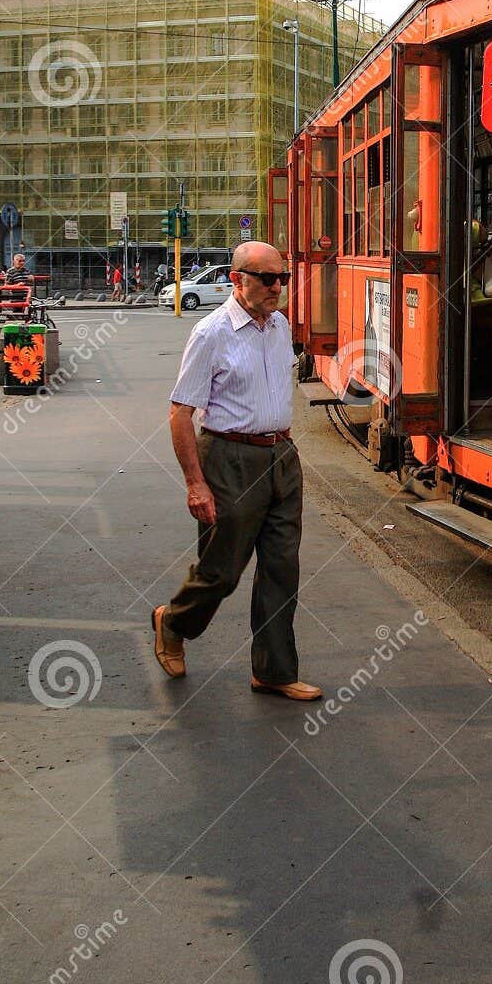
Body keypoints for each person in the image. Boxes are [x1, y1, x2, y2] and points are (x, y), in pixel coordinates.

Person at [151, 240, 321, 702]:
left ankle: (273, 671)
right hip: (228, 458)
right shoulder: (211, 333)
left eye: (282, 278)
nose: (277, 287)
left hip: (281, 456)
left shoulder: (280, 326)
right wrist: (195, 484)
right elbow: (180, 413)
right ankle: (173, 621)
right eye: (267, 278)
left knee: (282, 568)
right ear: (237, 279)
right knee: (222, 571)